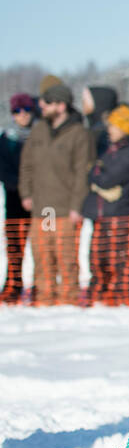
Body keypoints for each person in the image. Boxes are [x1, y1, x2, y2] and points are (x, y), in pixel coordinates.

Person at [18, 83, 95, 305]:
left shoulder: (79, 133)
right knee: (42, 258)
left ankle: (68, 302)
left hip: (64, 209)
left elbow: (83, 172)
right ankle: (44, 300)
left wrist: (76, 206)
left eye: (48, 102)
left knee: (66, 258)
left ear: (61, 106)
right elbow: (27, 165)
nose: (42, 106)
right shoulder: (39, 130)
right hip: (42, 207)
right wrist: (26, 193)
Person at [80, 105, 129, 306]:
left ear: (125, 128)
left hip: (122, 214)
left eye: (113, 126)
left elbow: (105, 179)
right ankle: (101, 298)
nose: (109, 130)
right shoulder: (115, 149)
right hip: (105, 214)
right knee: (98, 260)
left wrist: (95, 172)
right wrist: (96, 172)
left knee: (122, 261)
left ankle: (125, 300)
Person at [1, 93, 36, 303]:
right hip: (14, 199)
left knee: (42, 246)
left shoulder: (39, 135)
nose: (21, 116)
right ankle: (13, 285)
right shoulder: (7, 138)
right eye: (17, 111)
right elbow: (2, 168)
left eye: (25, 111)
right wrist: (18, 185)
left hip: (39, 199)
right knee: (15, 246)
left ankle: (41, 284)